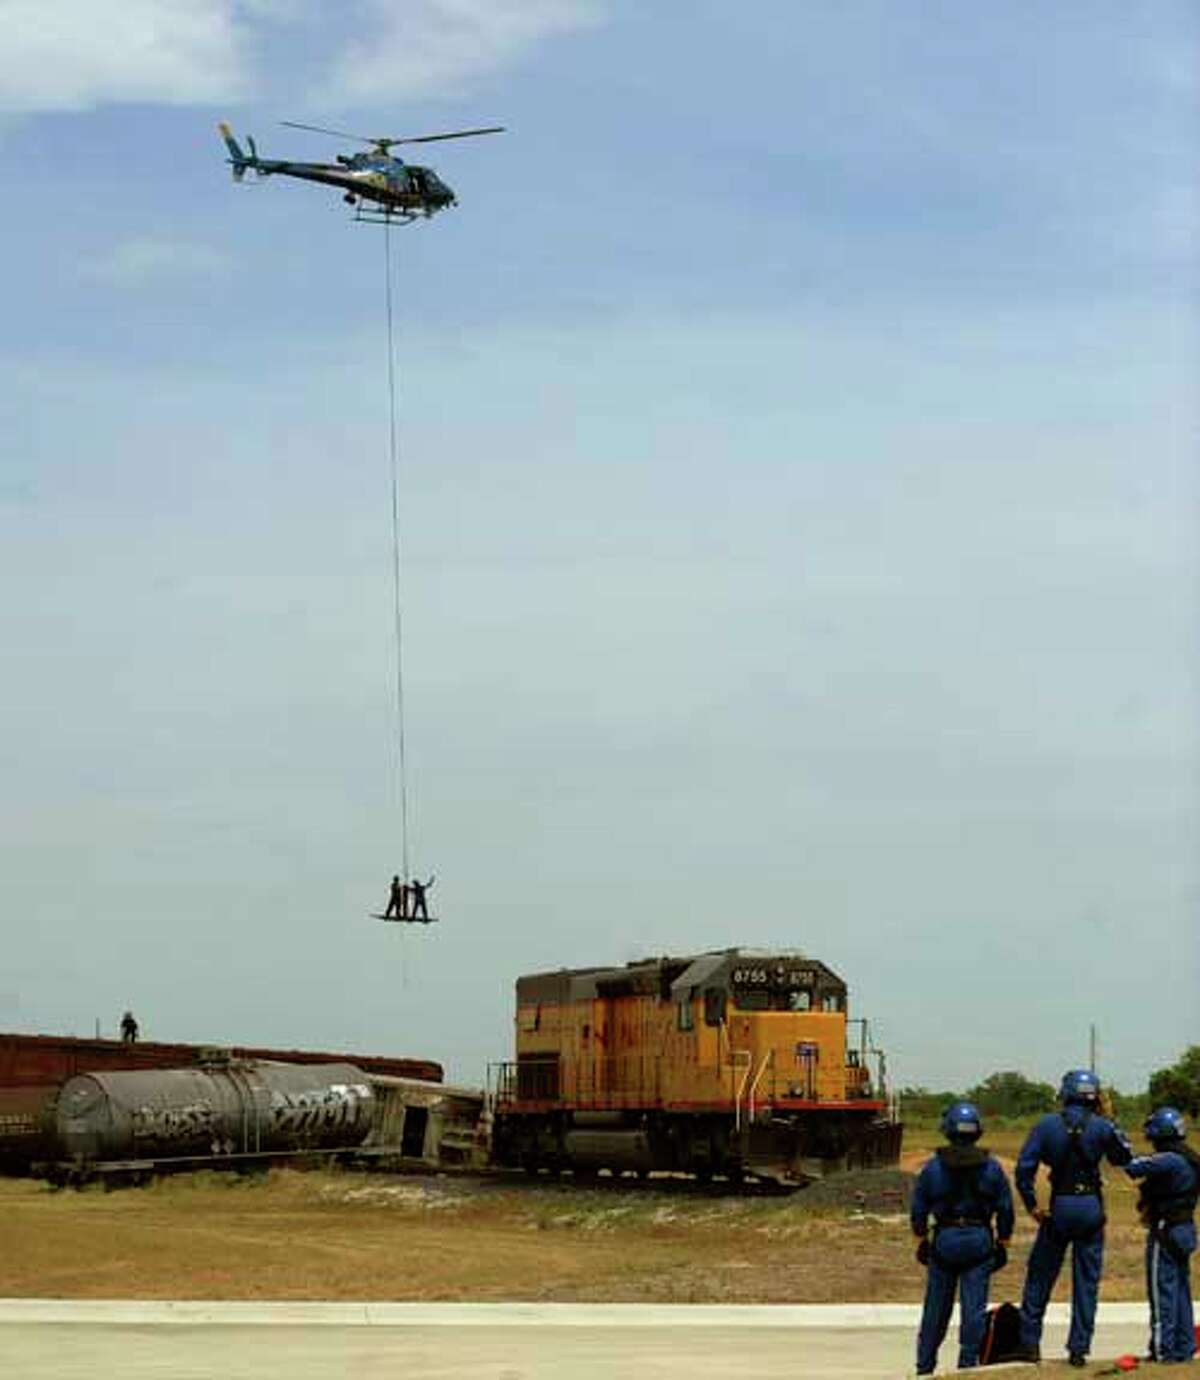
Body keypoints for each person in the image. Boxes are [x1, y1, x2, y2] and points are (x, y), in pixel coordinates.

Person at [1015, 1068, 1133, 1367]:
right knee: (1087, 1281)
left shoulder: (1047, 1125)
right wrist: (1111, 1120)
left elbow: (1023, 1170)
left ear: (1065, 1093)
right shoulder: (1102, 1127)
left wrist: (1031, 1205)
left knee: (1040, 1275)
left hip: (1061, 1205)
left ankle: (1030, 1343)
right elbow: (1123, 1158)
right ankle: (1079, 1349)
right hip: (1090, 1205)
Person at [911, 1100, 1014, 1374]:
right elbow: (1005, 1209)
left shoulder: (933, 1168)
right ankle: (967, 1366)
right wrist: (1003, 1242)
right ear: (977, 1131)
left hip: (944, 1240)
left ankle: (925, 1365)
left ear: (947, 1130)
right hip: (979, 1240)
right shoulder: (991, 1168)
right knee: (973, 1308)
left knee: (935, 1308)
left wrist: (921, 1240)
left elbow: (918, 1208)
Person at [1125, 1106, 1198, 1364]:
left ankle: (1163, 1350)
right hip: (1186, 1229)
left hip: (1166, 1230)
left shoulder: (1168, 1159)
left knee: (1161, 1291)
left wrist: (1115, 1134)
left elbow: (1132, 1166)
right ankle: (1185, 1347)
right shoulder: (1189, 1158)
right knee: (1180, 1291)